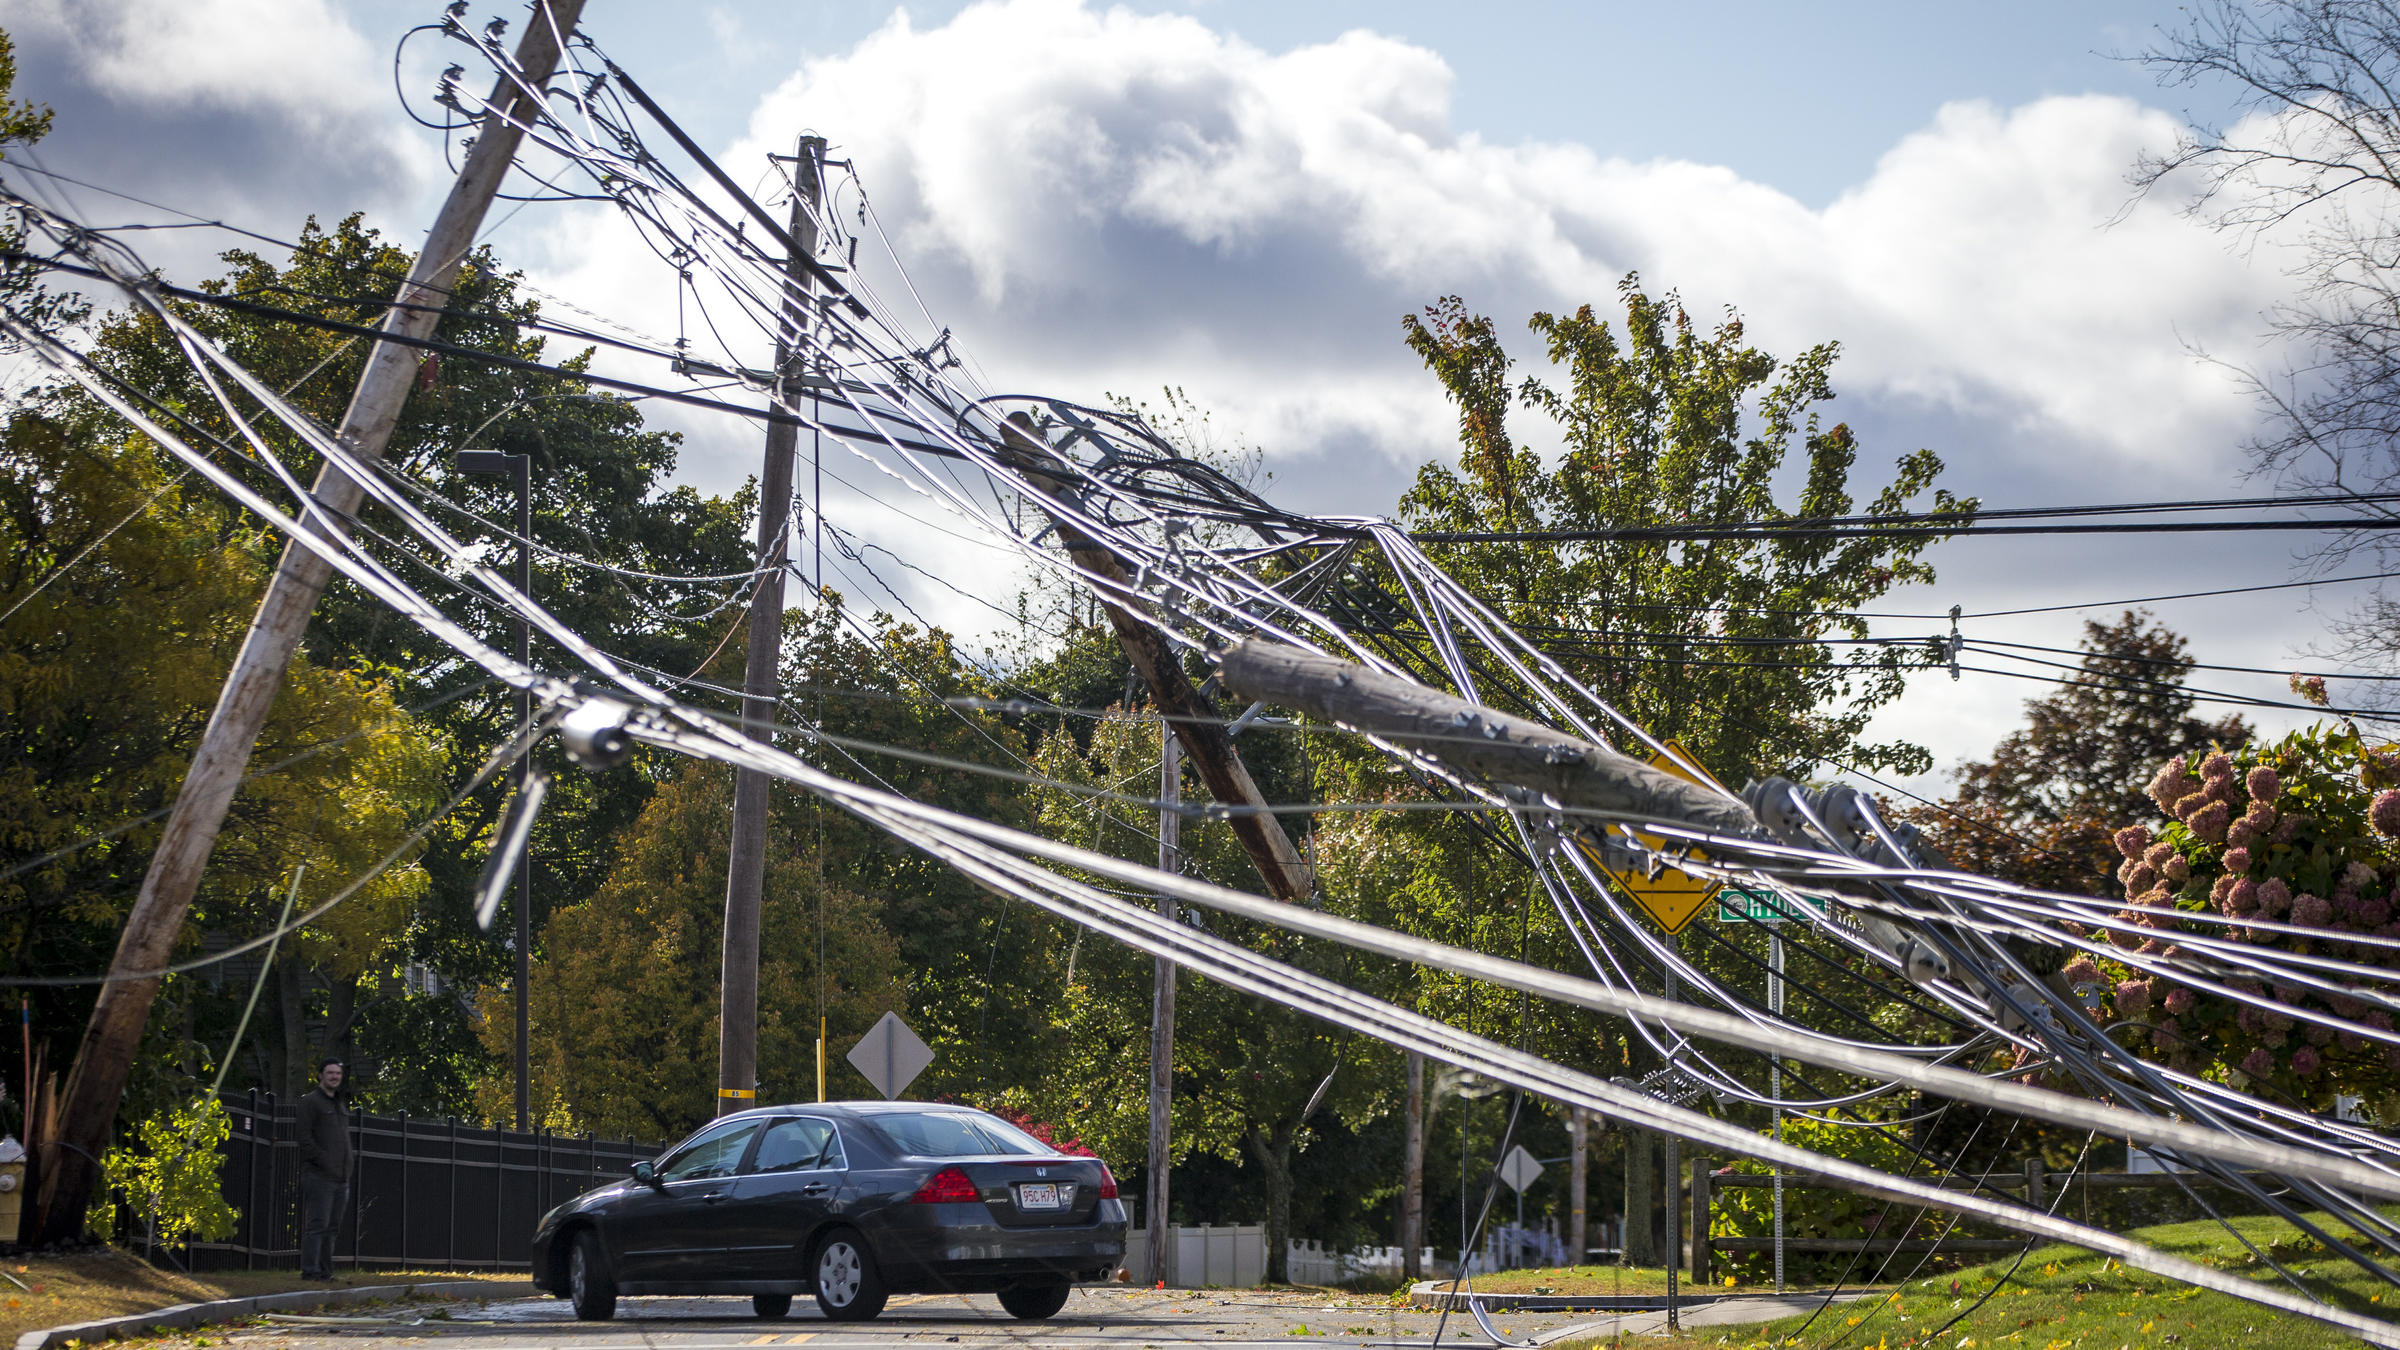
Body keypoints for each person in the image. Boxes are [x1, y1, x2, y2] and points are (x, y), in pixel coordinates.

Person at [295, 1059, 352, 1280]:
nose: (334, 1077)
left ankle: (325, 1272)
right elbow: (304, 1139)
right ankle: (310, 1271)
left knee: (332, 1228)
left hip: (341, 1178)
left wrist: (346, 1167)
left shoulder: (338, 1104)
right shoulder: (310, 1103)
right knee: (317, 1225)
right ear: (320, 1075)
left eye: (337, 1073)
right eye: (330, 1073)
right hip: (319, 1176)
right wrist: (324, 1161)